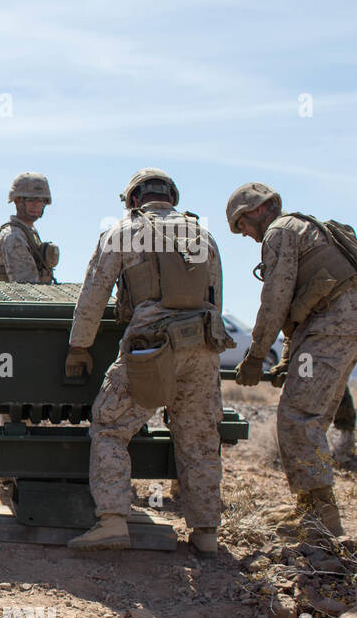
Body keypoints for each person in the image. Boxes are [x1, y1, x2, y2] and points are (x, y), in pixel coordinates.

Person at [66, 168, 233, 554]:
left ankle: (112, 521)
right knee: (200, 438)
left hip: (151, 347)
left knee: (110, 427)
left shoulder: (124, 231)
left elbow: (93, 294)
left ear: (133, 200)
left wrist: (79, 346)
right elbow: (215, 300)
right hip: (202, 347)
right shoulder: (202, 234)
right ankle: (206, 533)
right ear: (172, 197)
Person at [226, 181, 357, 538]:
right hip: (339, 329)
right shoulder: (304, 228)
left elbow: (276, 299)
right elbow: (300, 309)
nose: (246, 234)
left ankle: (322, 518)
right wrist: (287, 359)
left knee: (297, 418)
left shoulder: (279, 232)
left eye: (242, 225)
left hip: (331, 329)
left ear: (257, 210)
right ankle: (311, 507)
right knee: (312, 419)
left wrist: (256, 356)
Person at [0, 172, 58, 284]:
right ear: (17, 201)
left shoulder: (29, 233)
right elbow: (27, 286)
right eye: (30, 199)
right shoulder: (13, 237)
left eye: (40, 199)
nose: (36, 204)